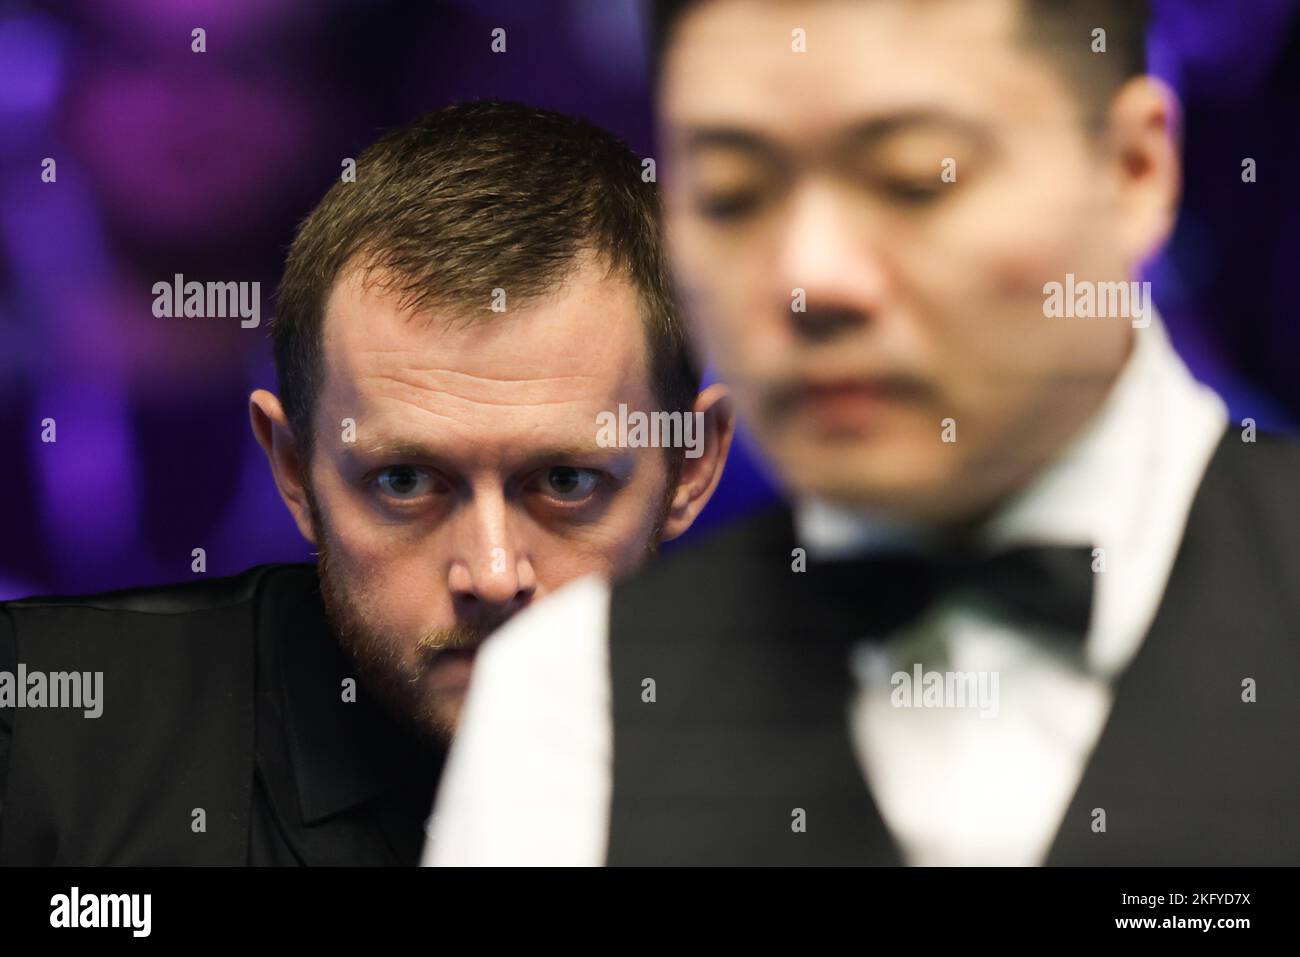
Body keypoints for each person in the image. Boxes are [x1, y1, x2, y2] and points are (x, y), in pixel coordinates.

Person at [427, 1, 1300, 865]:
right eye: (731, 196)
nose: (812, 279)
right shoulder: (569, 697)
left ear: (1133, 171)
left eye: (917, 178)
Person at [0, 100, 734, 865]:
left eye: (565, 479)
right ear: (293, 469)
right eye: (407, 479)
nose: (490, 574)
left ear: (691, 466)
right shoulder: (44, 740)